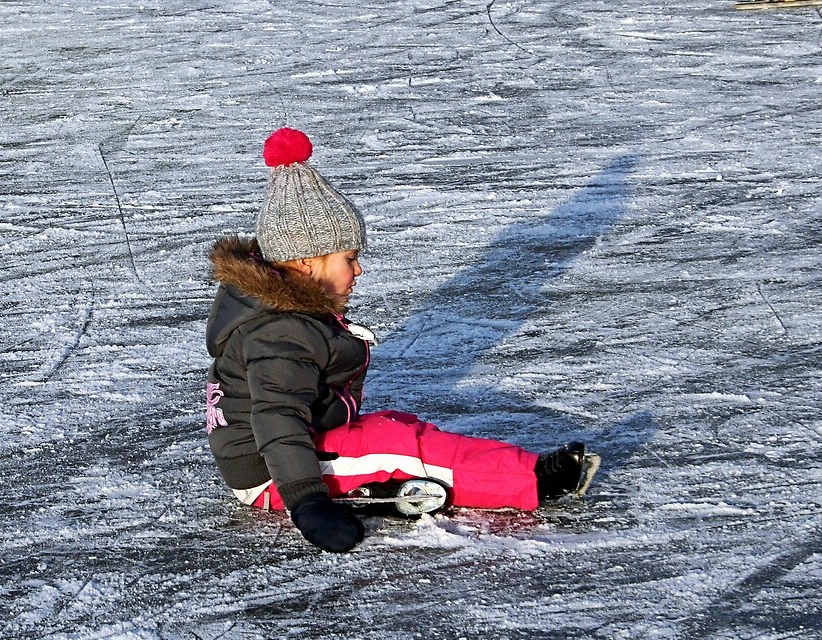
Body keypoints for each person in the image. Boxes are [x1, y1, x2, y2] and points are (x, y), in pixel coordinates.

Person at [205, 127, 588, 553]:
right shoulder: (281, 331)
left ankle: (498, 469)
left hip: (287, 452)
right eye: (349, 259)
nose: (359, 271)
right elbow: (277, 418)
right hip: (276, 475)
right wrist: (307, 502)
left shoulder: (288, 314)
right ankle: (532, 481)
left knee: (397, 425)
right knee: (397, 447)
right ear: (308, 263)